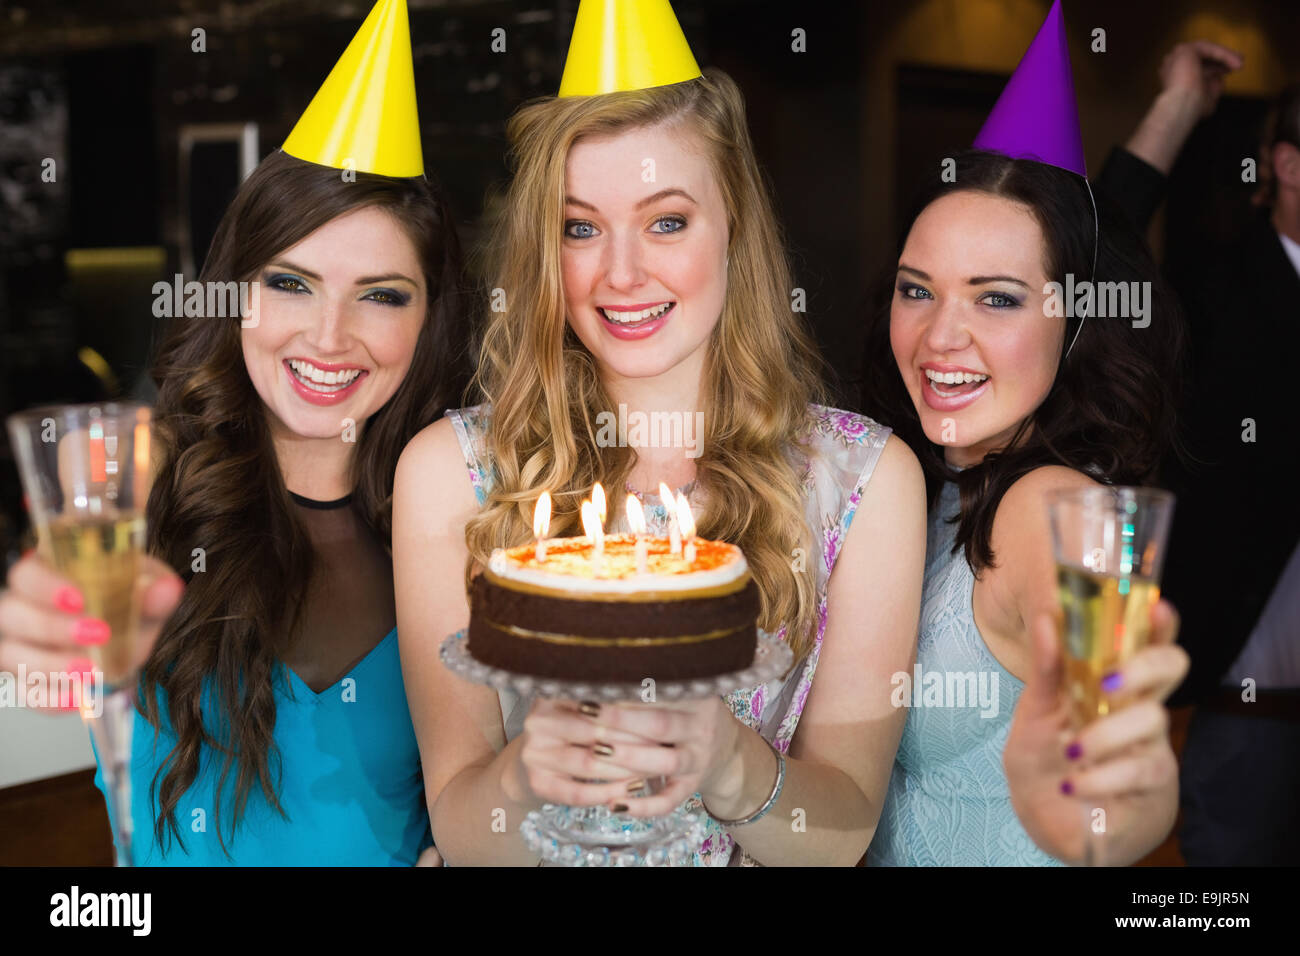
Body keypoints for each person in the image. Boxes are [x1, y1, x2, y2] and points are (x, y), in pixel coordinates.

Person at [393, 0, 927, 867]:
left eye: (667, 221)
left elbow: (840, 834)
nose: (622, 272)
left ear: (735, 227)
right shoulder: (453, 473)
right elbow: (463, 830)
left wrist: (722, 758)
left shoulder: (863, 480)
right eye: (580, 228)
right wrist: (535, 766)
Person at [0, 0, 469, 865]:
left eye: (380, 294)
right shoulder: (141, 483)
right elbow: (46, 649)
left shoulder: (462, 522)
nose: (328, 337)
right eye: (291, 283)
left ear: (430, 319)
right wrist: (33, 635)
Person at [860, 1, 1189, 865]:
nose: (940, 337)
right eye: (917, 289)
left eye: (997, 299)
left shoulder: (1063, 513)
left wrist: (1105, 797)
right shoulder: (921, 479)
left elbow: (1120, 769)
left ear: (1074, 325)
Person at [1105, 41, 1300, 864]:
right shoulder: (1215, 289)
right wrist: (1180, 104)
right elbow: (1099, 249)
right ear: (1287, 165)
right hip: (1250, 702)